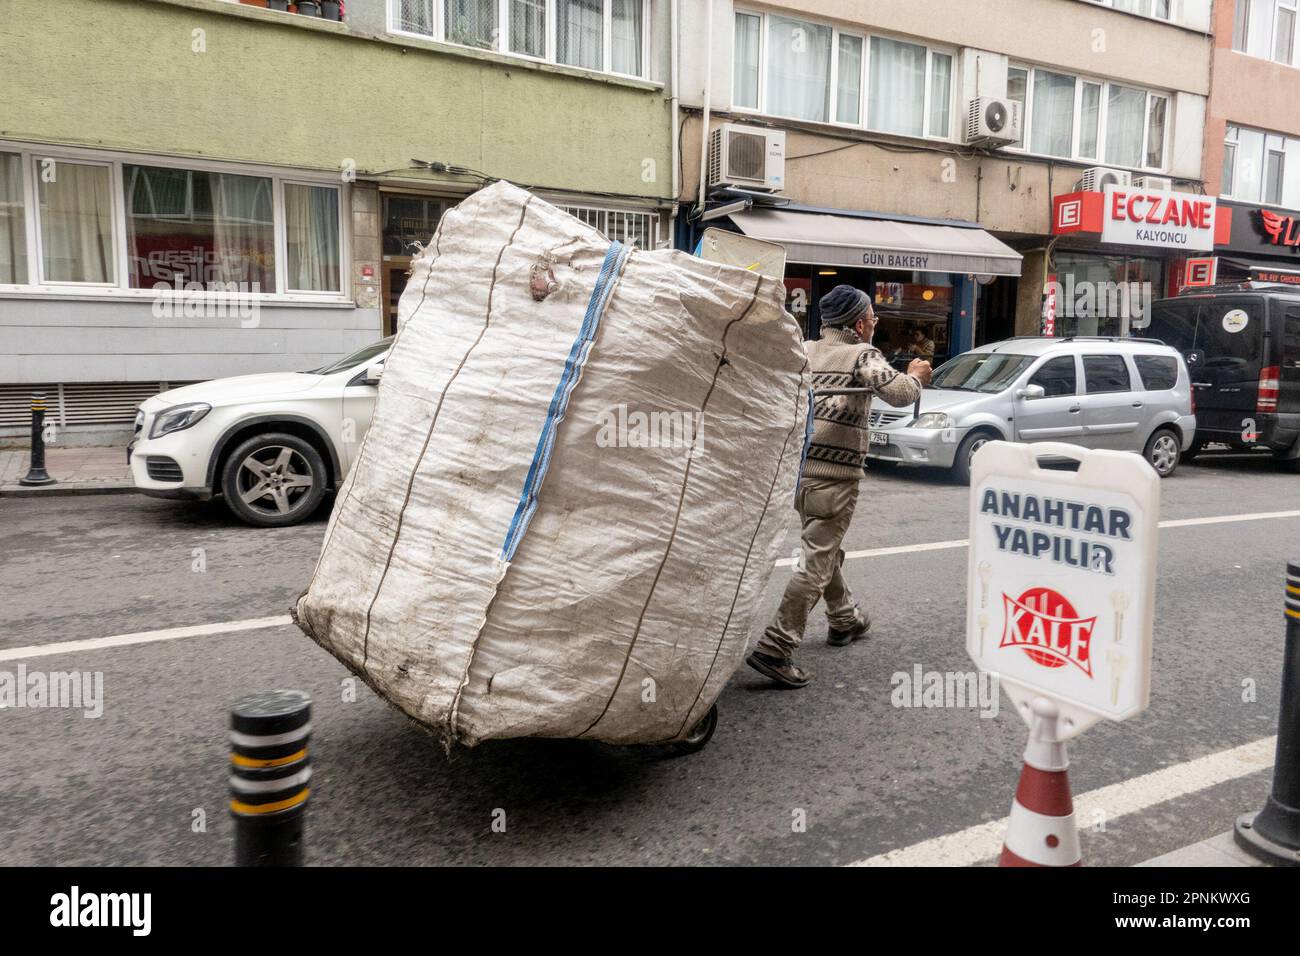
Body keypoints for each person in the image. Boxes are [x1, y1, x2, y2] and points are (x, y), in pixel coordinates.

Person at [747, 285, 932, 689]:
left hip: (799, 475)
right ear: (861, 323)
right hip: (835, 477)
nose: (875, 325)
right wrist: (916, 377)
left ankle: (844, 618)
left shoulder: (807, 349)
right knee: (816, 559)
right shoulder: (862, 353)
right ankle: (776, 646)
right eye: (874, 319)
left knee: (822, 547)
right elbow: (899, 393)